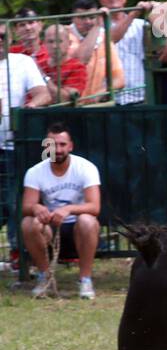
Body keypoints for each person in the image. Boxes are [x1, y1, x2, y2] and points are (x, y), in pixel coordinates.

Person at [21, 123, 101, 299]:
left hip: (78, 229)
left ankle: (85, 280)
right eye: (52, 144)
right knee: (28, 223)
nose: (57, 149)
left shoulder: (86, 168)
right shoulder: (35, 172)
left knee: (87, 220)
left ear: (70, 146)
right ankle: (45, 278)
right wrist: (36, 207)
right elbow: (26, 206)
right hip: (50, 229)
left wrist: (69, 209)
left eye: (62, 144)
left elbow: (95, 207)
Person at [1, 33, 52, 263]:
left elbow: (44, 94)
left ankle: (18, 254)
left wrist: (30, 106)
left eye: (2, 36)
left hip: (12, 143)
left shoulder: (22, 62)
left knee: (13, 201)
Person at [97, 0, 151, 104]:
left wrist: (155, 9)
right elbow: (112, 39)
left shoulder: (141, 24)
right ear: (101, 0)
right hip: (109, 99)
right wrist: (134, 13)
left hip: (139, 95)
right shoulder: (97, 28)